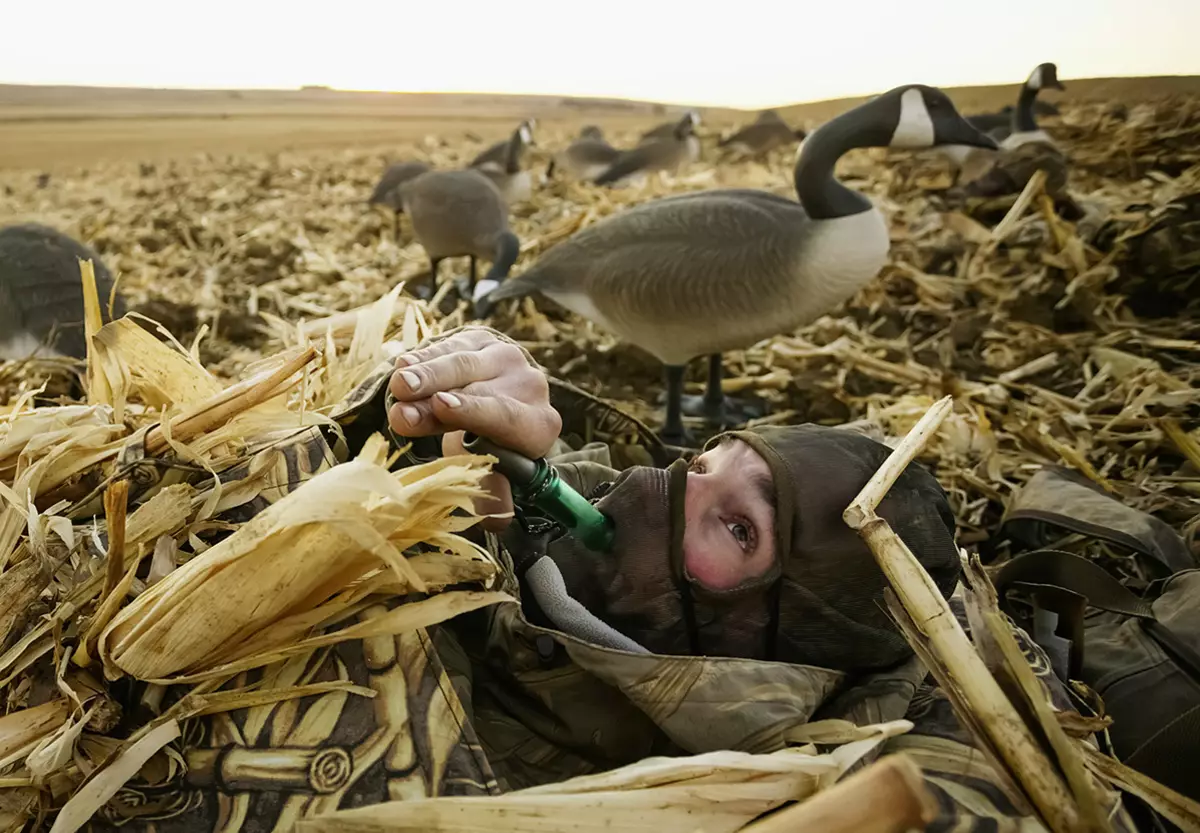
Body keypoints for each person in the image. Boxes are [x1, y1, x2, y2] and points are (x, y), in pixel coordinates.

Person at [384, 327, 1135, 830]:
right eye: (705, 460)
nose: (663, 485)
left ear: (788, 642)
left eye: (739, 526)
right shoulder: (531, 502)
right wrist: (426, 438)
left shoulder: (831, 777)